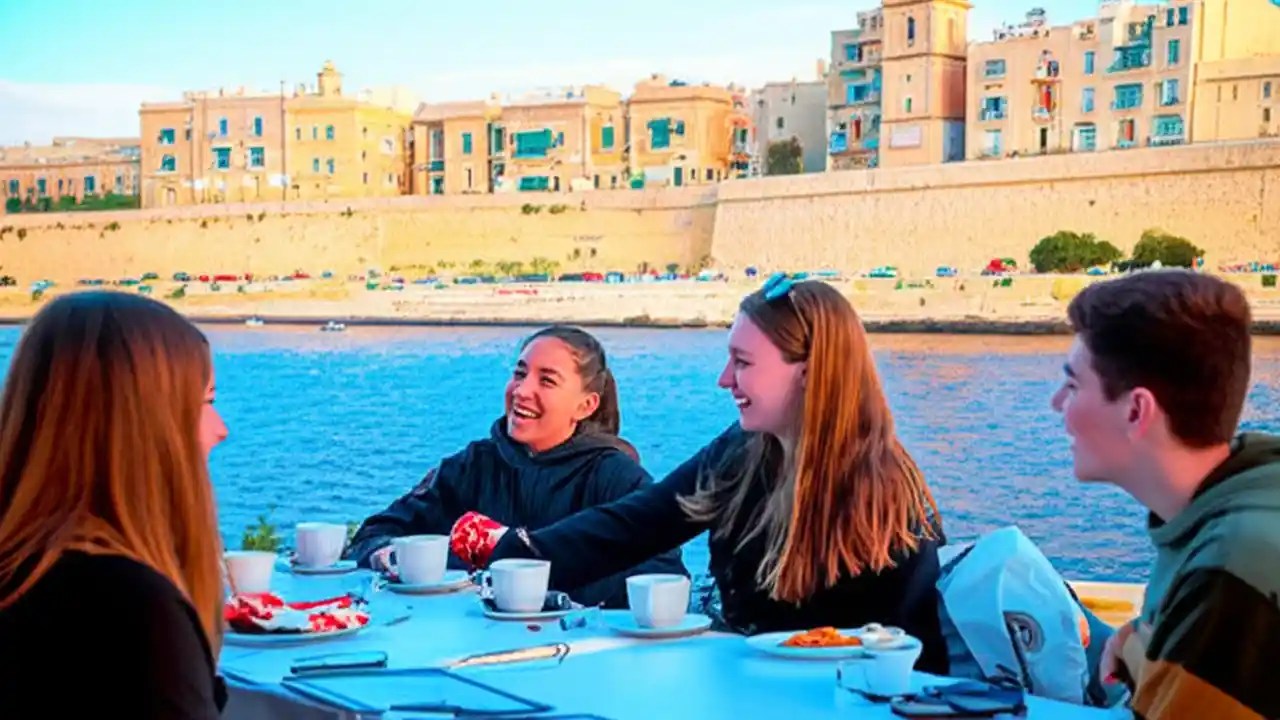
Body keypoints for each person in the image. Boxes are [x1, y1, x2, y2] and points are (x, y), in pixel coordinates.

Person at [465, 276, 950, 673]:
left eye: (742, 362)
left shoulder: (886, 494)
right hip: (741, 690)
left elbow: (914, 656)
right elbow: (632, 526)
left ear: (808, 372)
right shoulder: (742, 453)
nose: (724, 379)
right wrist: (510, 553)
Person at [1052, 269, 1280, 720]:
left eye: (1074, 385)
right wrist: (1141, 643)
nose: (1057, 402)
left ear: (1137, 410)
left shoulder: (1233, 564)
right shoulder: (1230, 501)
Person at [0, 291, 230, 719]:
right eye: (206, 403)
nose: (220, 429)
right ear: (143, 423)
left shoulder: (25, 573)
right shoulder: (129, 606)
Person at [345, 325, 687, 608]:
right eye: (520, 373)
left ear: (585, 405)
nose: (522, 390)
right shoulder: (473, 466)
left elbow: (664, 579)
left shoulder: (619, 480)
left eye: (547, 380)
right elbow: (373, 534)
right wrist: (386, 556)